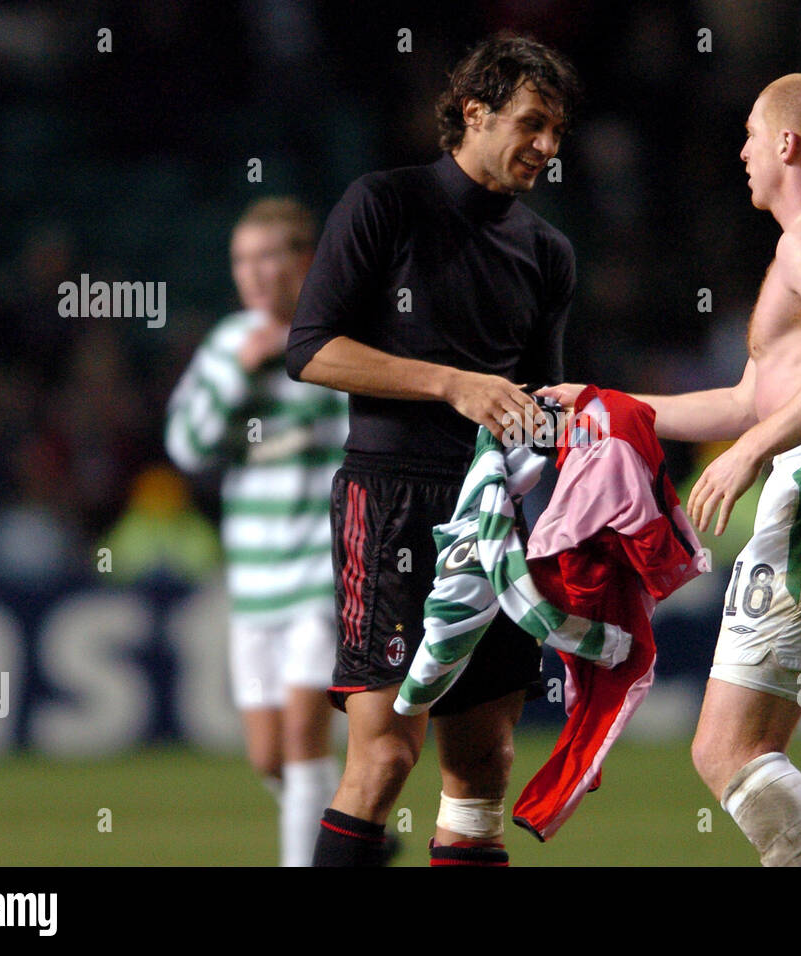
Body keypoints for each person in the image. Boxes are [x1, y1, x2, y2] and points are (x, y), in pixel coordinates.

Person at [543, 73, 801, 866]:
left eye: (753, 132)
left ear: (787, 144)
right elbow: (747, 401)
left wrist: (757, 452)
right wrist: (600, 405)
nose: (743, 149)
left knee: (728, 747)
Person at [285, 32, 581, 867]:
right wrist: (452, 383)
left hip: (495, 515)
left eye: (557, 132)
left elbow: (540, 408)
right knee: (383, 757)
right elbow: (309, 348)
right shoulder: (385, 204)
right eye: (532, 123)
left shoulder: (547, 253)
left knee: (481, 771)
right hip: (392, 501)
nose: (547, 148)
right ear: (474, 112)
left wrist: (576, 497)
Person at [165, 197, 349, 867]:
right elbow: (186, 446)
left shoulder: (337, 341)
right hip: (254, 577)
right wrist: (241, 370)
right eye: (241, 260)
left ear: (302, 261)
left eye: (265, 257)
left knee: (304, 732)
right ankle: (354, 836)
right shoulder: (226, 344)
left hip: (322, 572)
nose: (251, 274)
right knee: (269, 756)